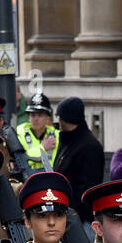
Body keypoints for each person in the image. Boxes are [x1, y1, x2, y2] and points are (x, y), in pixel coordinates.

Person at [52, 96, 104, 225]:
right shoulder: (67, 140)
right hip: (62, 211)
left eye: (59, 116)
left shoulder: (89, 146)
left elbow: (88, 187)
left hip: (79, 219)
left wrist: (71, 210)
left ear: (66, 118)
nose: (57, 119)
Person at [16, 93, 58, 173]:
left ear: (48, 117)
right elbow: (21, 160)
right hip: (27, 179)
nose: (36, 119)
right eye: (33, 115)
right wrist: (42, 148)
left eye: (40, 115)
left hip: (51, 179)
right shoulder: (19, 132)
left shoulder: (57, 135)